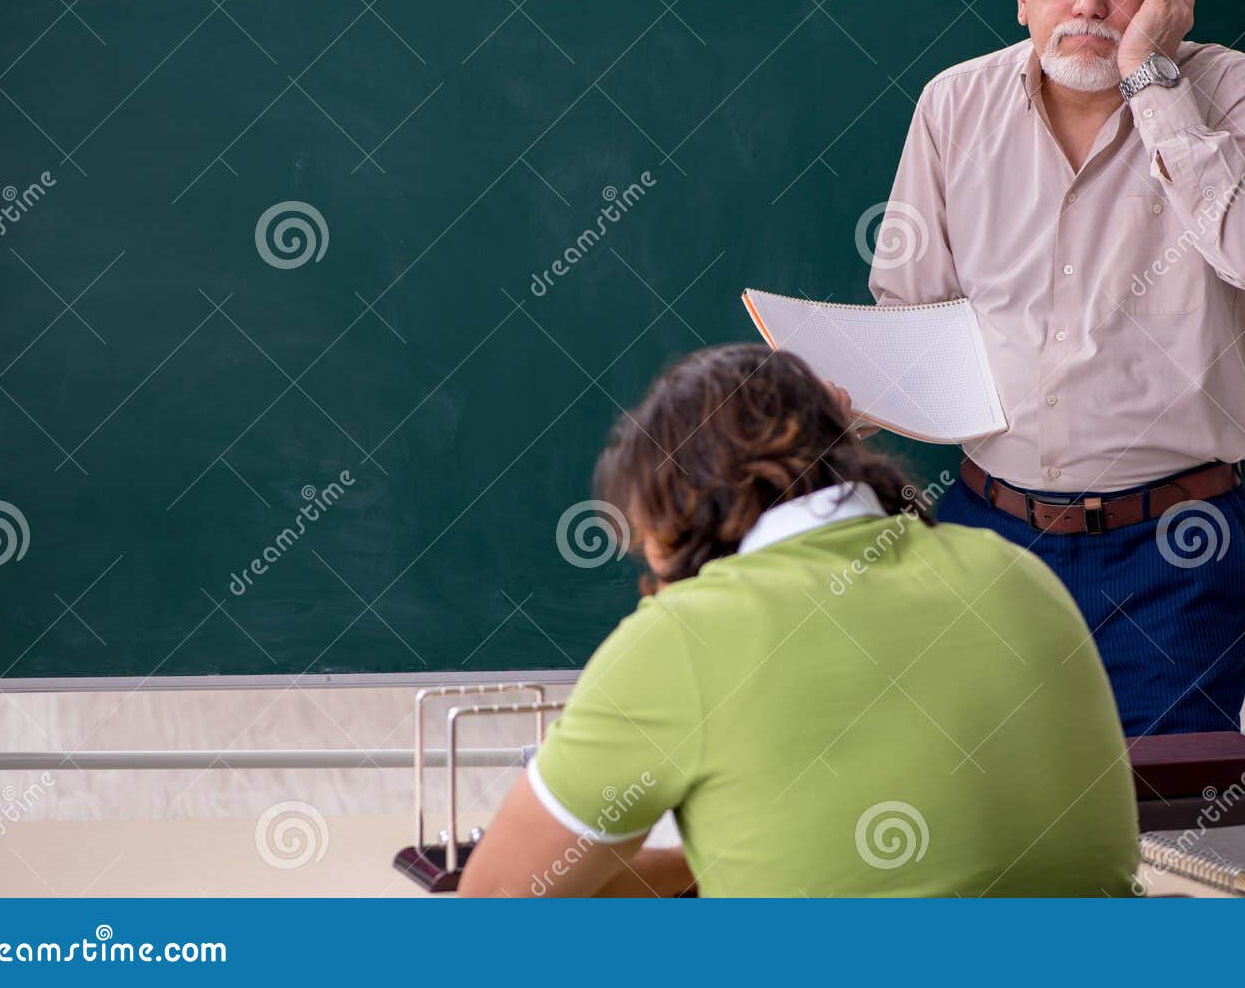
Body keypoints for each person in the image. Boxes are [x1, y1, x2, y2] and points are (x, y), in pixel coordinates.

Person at [861, 0, 1245, 737]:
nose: (1089, 2)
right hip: (987, 533)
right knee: (986, 817)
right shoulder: (954, 104)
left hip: (1177, 553)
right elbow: (909, 307)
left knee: (1163, 828)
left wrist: (1152, 74)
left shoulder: (1239, 91)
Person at [459, 344, 1138, 897]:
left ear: (676, 510)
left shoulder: (687, 636)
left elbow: (490, 910)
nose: (649, 579)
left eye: (647, 550)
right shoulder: (1017, 571)